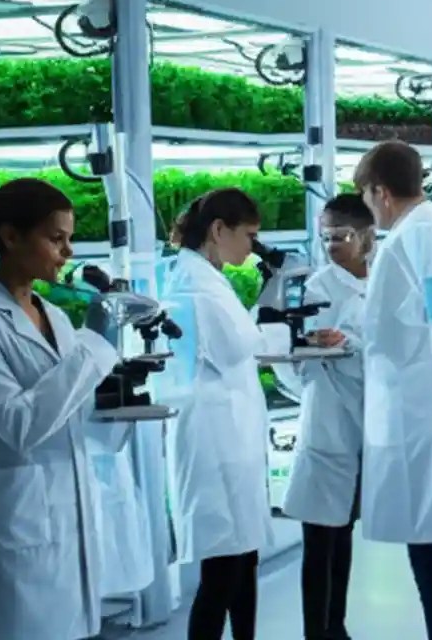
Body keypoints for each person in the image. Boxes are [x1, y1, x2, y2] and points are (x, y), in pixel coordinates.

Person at [0, 178, 121, 639]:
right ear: (11, 236)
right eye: (56, 239)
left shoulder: (55, 316)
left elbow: (69, 409)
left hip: (61, 525)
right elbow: (19, 424)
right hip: (6, 531)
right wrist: (95, 346)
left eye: (69, 239)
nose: (67, 252)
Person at [354, 140, 432, 640]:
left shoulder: (402, 242)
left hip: (415, 410)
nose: (368, 209)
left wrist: (348, 340)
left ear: (380, 192)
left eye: (365, 197)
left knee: (429, 550)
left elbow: (382, 332)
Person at [159, 188, 275, 640]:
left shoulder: (208, 278)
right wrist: (271, 308)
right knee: (223, 572)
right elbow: (238, 346)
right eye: (248, 235)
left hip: (232, 440)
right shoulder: (197, 286)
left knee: (244, 559)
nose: (252, 246)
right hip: (215, 443)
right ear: (219, 230)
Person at [277, 193, 375, 640]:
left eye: (340, 237)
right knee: (320, 541)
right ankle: (317, 632)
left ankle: (337, 627)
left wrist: (352, 345)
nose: (331, 246)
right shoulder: (318, 287)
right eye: (325, 238)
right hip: (328, 423)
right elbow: (294, 358)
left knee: (344, 534)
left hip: (365, 426)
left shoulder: (382, 279)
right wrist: (328, 347)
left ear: (367, 236)